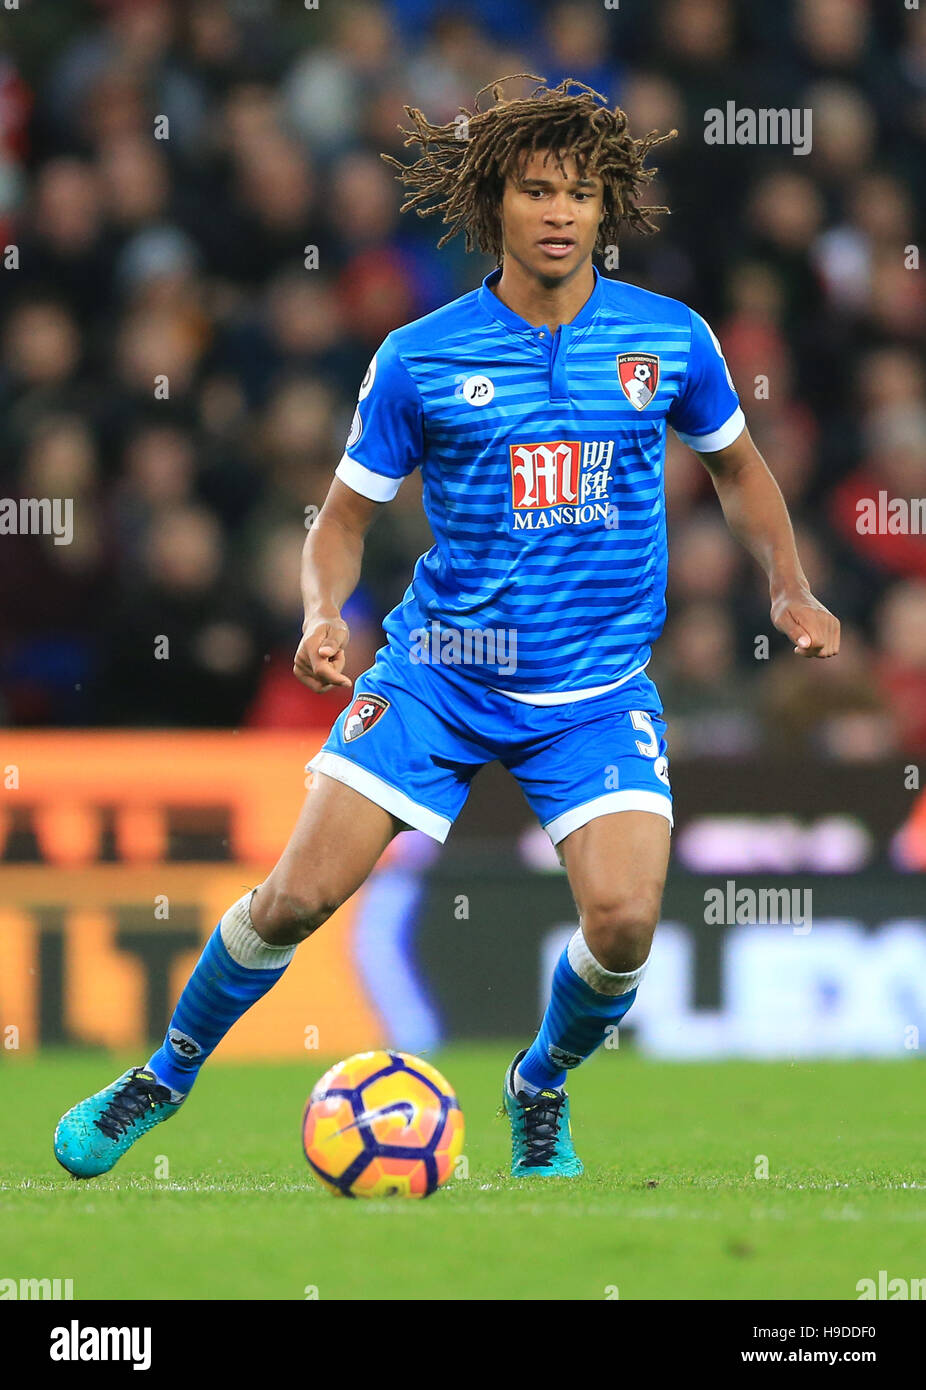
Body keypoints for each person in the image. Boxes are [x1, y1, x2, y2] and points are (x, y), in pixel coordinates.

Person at [55, 77, 840, 1181]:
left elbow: (739, 470)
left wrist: (787, 586)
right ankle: (164, 1076)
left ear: (606, 208)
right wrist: (324, 612)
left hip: (596, 688)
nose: (559, 211)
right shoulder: (421, 356)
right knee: (294, 897)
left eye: (578, 193)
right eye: (534, 191)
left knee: (620, 925)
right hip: (437, 675)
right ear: (496, 206)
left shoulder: (667, 339)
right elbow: (336, 523)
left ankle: (539, 1083)